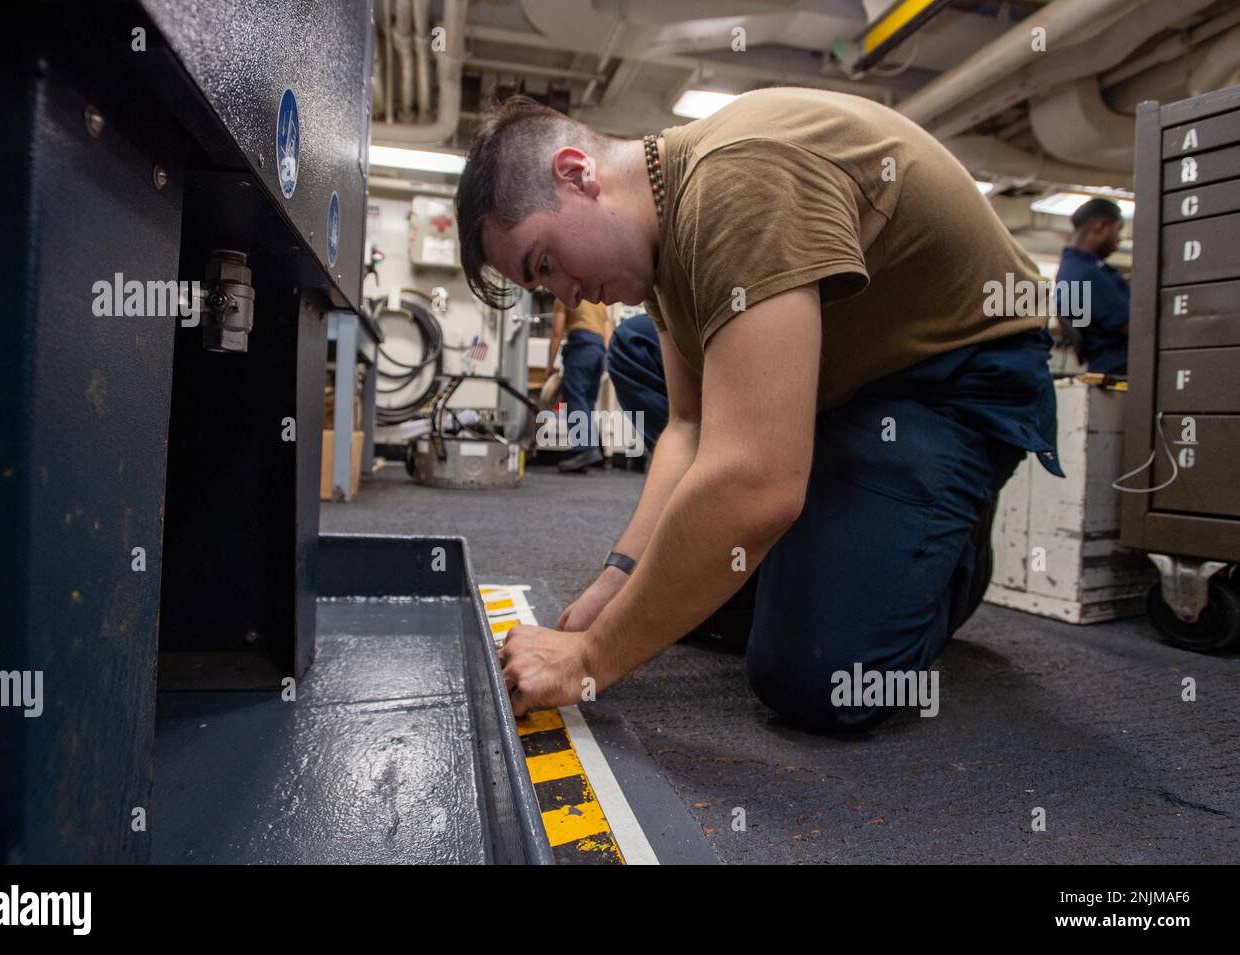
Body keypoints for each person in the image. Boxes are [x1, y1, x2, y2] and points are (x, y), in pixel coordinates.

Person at [455, 88, 1063, 732]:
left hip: (949, 377)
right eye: (543, 285)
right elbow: (689, 428)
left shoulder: (736, 184)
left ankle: (945, 560)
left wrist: (592, 657)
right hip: (848, 378)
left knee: (820, 679)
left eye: (545, 262)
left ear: (578, 174)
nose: (566, 293)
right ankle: (840, 530)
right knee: (672, 562)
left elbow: (759, 482)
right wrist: (620, 576)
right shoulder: (658, 245)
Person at [1055, 197, 1130, 374]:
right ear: (1100, 226)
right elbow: (1135, 326)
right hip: (1120, 369)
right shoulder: (1086, 275)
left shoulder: (1074, 268)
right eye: (1118, 230)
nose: (1119, 239)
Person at [547, 299, 613, 472]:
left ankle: (584, 449)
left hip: (580, 347)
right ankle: (586, 450)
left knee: (574, 398)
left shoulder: (564, 295)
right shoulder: (598, 301)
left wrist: (549, 364)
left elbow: (556, 332)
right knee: (587, 402)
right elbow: (607, 330)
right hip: (598, 351)